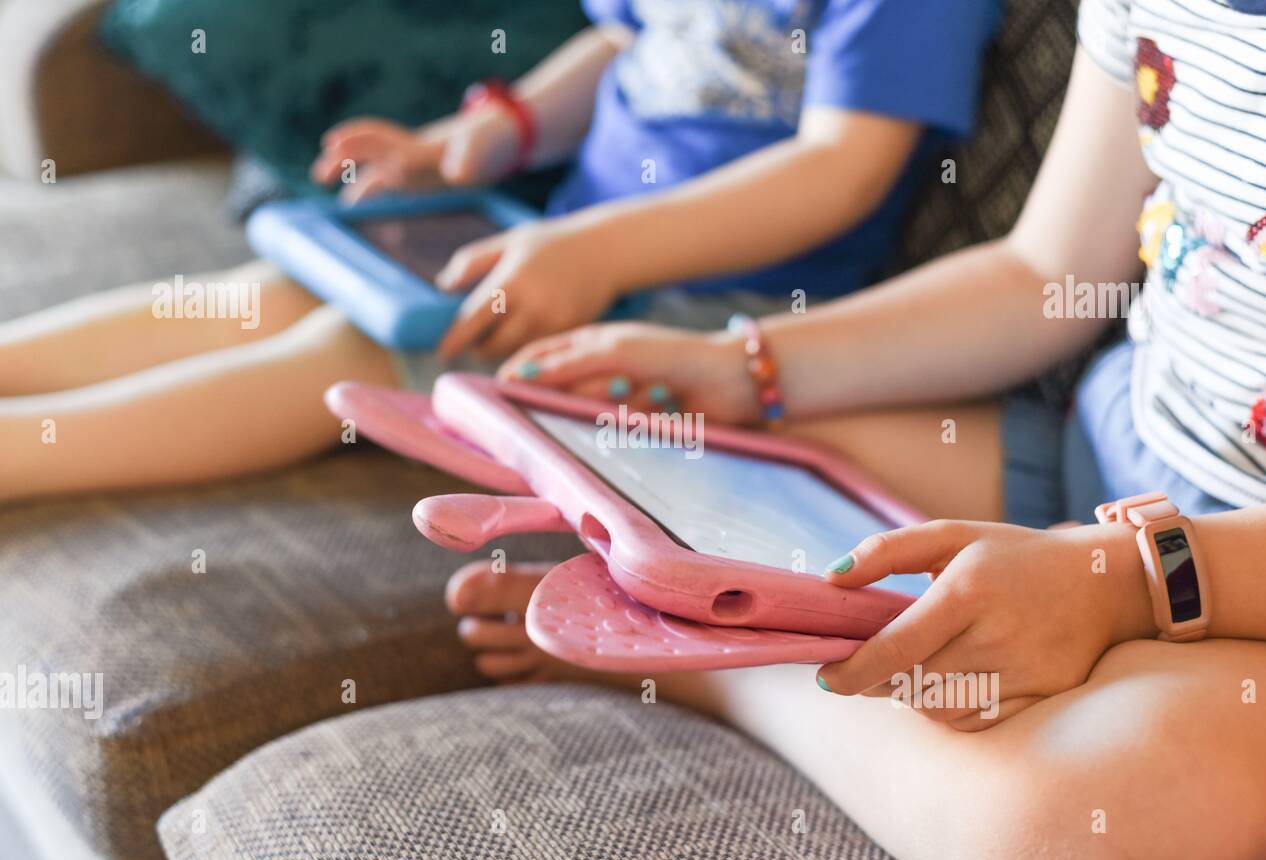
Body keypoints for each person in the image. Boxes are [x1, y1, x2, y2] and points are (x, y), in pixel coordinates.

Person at [445, 0, 1266, 860]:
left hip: (1263, 574)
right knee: (662, 456)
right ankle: (721, 607)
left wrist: (1126, 583)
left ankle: (726, 664)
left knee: (1076, 829)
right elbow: (1044, 274)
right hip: (1122, 455)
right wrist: (747, 368)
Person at [0, 0, 998, 502]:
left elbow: (841, 169)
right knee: (275, 289)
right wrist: (492, 132)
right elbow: (621, 43)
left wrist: (599, 252)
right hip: (549, 242)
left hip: (696, 318)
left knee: (351, 358)